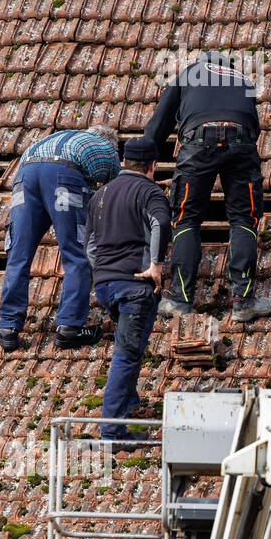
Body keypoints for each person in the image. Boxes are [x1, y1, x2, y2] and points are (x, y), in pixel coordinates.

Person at [143, 51, 271, 322]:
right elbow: (254, 126)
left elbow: (159, 124)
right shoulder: (243, 80)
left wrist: (142, 166)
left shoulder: (189, 74)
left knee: (187, 219)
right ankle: (244, 302)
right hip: (241, 143)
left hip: (198, 142)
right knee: (243, 219)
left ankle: (180, 300)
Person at [0, 124, 120, 353]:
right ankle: (70, 326)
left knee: (19, 253)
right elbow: (115, 195)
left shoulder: (52, 138)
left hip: (25, 175)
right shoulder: (107, 150)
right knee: (76, 253)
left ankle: (7, 327)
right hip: (64, 176)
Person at [85, 137, 172, 445]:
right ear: (152, 166)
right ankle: (112, 430)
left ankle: (130, 402)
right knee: (126, 355)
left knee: (128, 349)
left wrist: (103, 273)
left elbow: (90, 245)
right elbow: (161, 223)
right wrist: (156, 266)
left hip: (106, 286)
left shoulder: (100, 195)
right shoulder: (150, 191)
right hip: (134, 286)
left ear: (123, 163)